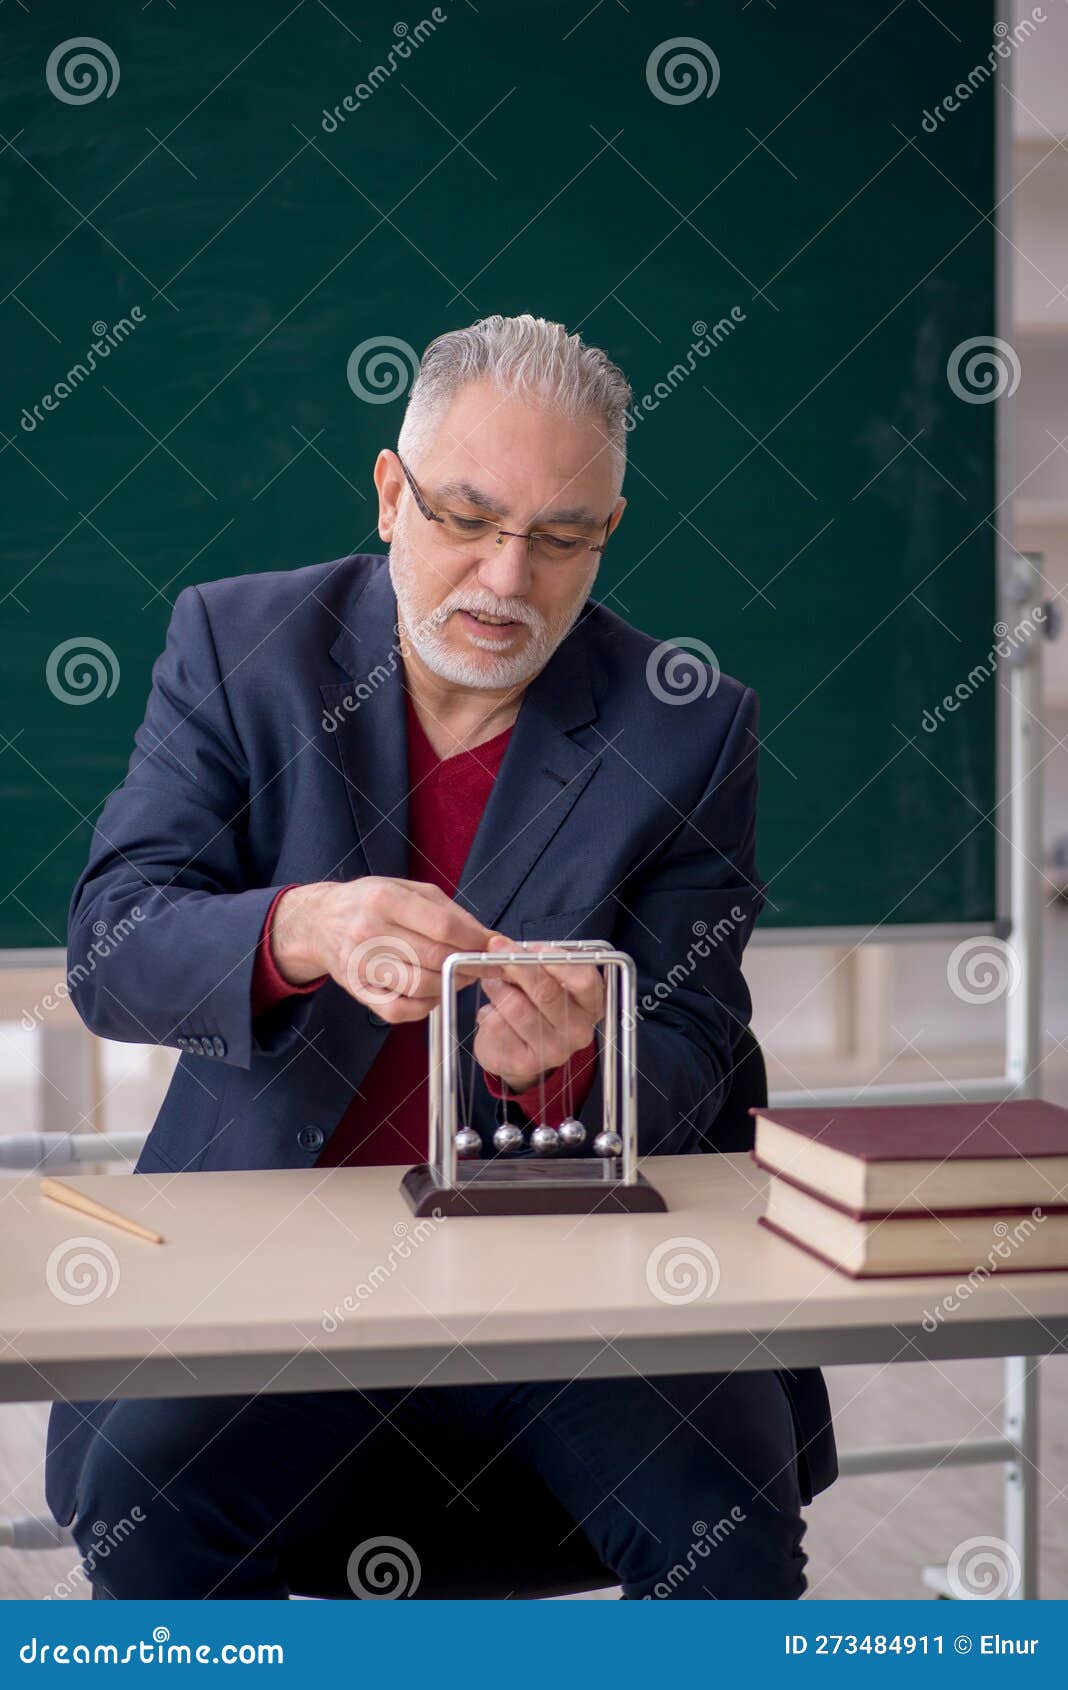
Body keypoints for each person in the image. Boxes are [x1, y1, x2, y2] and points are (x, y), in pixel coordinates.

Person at [47, 313, 836, 1598]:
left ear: (608, 534)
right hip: (273, 1265)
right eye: (467, 518)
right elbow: (111, 945)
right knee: (149, 1494)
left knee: (726, 1514)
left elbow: (700, 1050)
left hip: (581, 1279)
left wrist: (580, 1067)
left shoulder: (688, 727)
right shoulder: (238, 645)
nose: (507, 581)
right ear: (389, 493)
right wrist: (299, 927)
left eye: (559, 537)